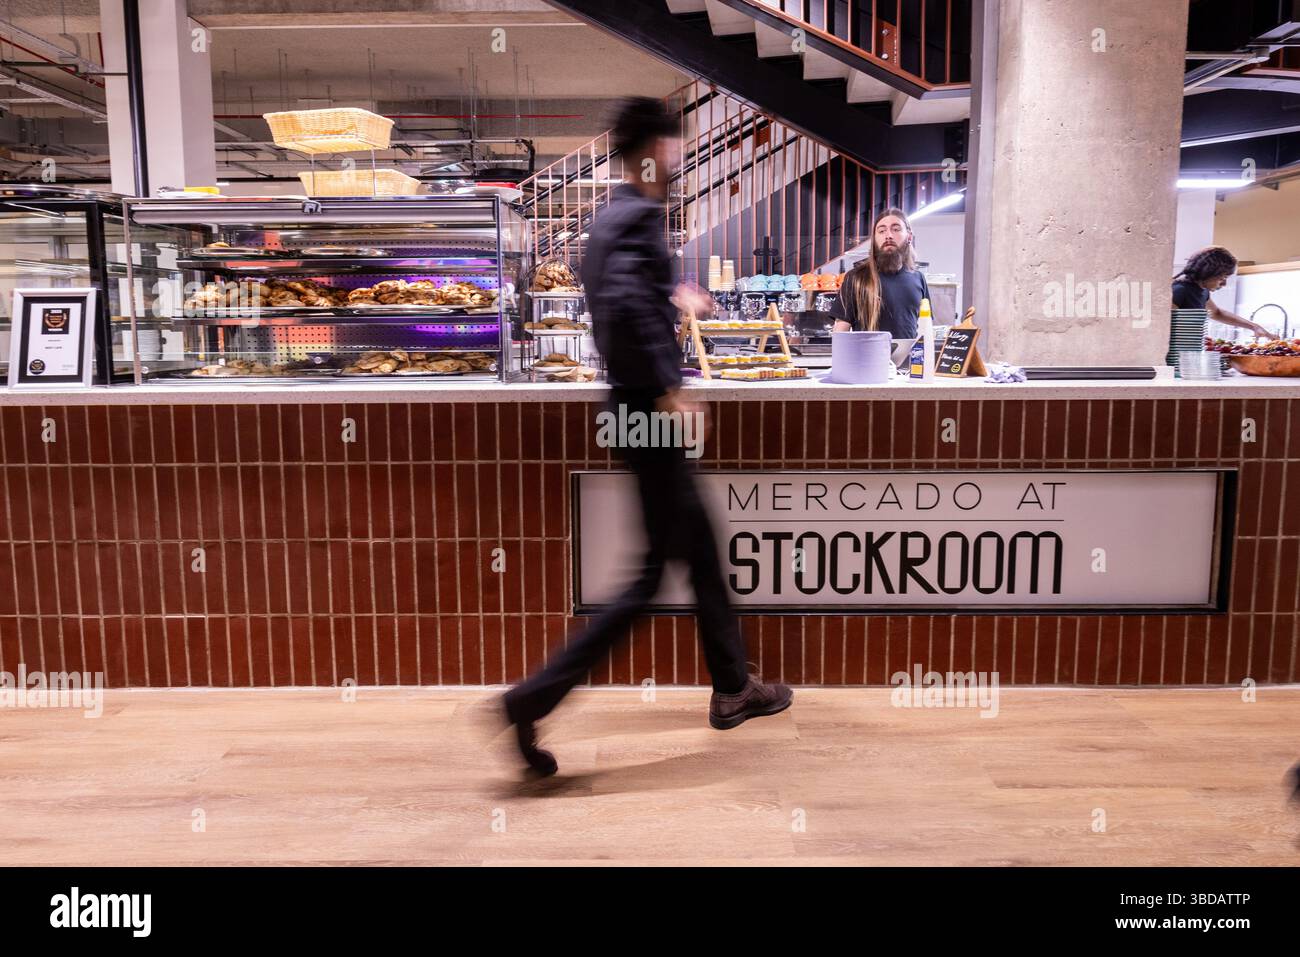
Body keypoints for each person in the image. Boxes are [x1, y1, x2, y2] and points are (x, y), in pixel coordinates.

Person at [500, 97, 793, 778]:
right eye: (675, 145)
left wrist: (675, 301)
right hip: (649, 413)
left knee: (696, 550)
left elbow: (622, 302)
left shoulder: (607, 221)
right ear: (653, 150)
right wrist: (670, 389)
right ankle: (530, 698)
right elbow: (628, 308)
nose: (681, 156)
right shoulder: (638, 215)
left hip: (631, 409)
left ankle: (732, 686)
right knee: (650, 576)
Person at [831, 207, 929, 338]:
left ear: (909, 236)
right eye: (882, 231)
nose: (888, 235)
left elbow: (925, 327)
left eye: (896, 229)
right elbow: (840, 331)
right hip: (867, 357)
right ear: (875, 239)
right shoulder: (856, 278)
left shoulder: (918, 278)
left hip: (910, 358)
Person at [1172, 246, 1271, 338]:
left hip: (1188, 353)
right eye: (1222, 278)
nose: (1224, 284)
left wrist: (1254, 327)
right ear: (1208, 273)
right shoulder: (1179, 290)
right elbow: (1163, 327)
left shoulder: (1202, 291)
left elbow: (1216, 313)